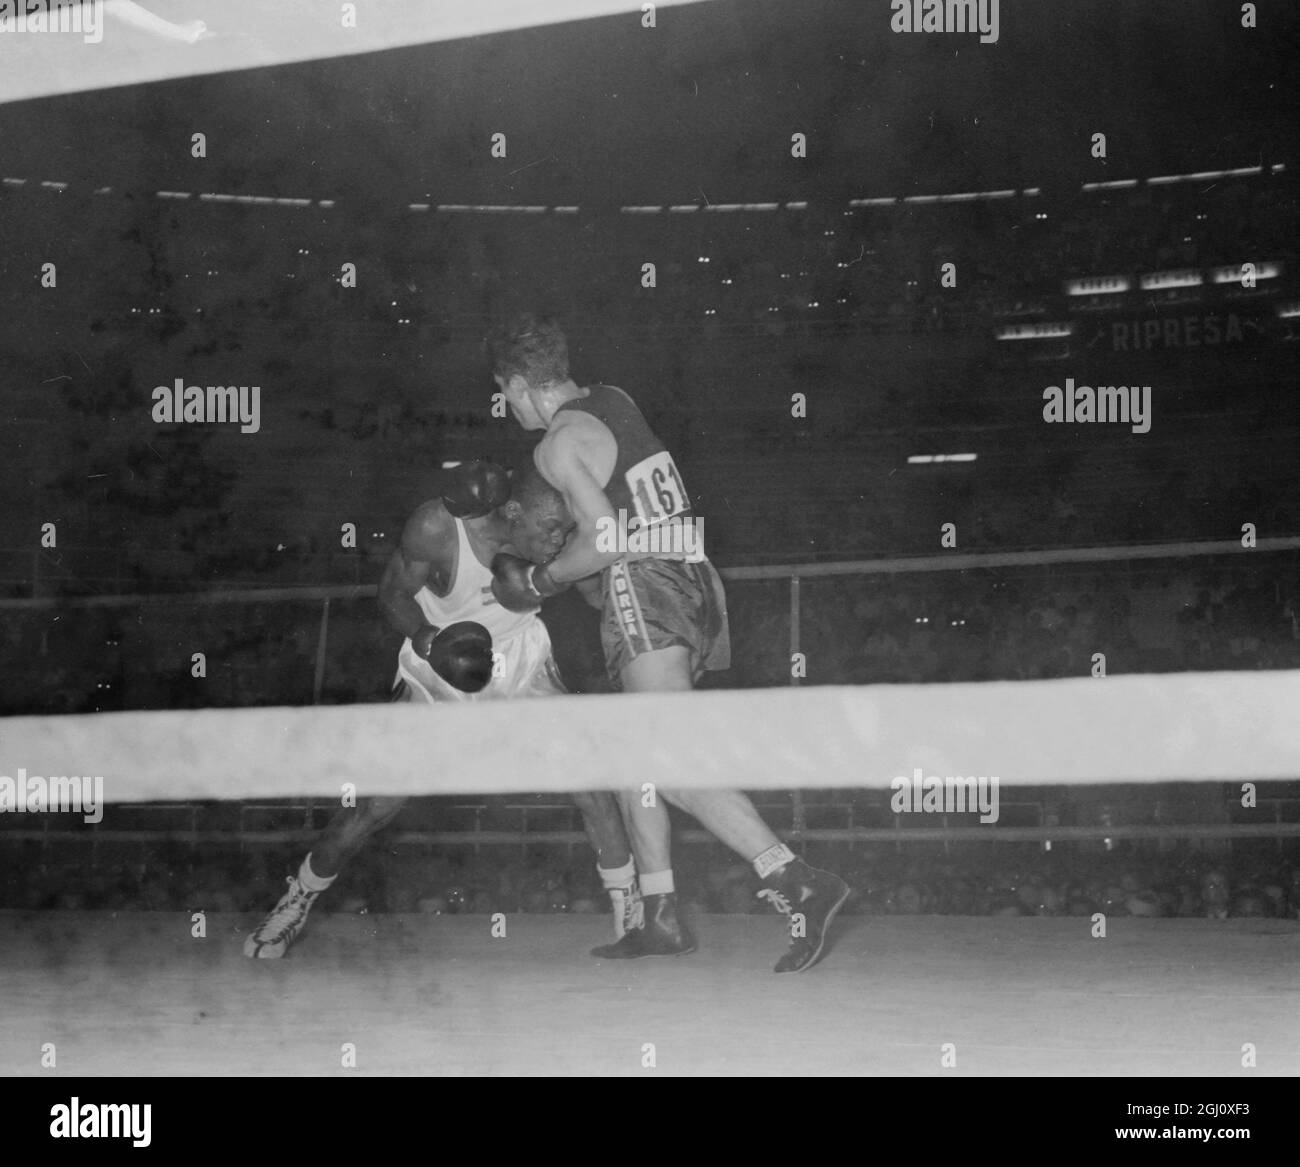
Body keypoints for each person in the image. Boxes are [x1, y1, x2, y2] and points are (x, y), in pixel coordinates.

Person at [486, 313, 849, 973]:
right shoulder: (616, 398)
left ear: (516, 385)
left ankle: (797, 879)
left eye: (505, 395)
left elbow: (608, 541)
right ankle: (659, 915)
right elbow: (635, 509)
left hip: (646, 585)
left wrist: (541, 579)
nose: (509, 409)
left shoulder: (556, 445)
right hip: (694, 574)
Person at [244, 461, 640, 958]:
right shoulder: (439, 527)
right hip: (437, 665)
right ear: (513, 512)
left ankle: (631, 909)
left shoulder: (562, 540)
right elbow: (393, 592)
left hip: (520, 661)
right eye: (550, 529)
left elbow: (598, 595)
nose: (559, 540)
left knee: (589, 777)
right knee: (377, 802)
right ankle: (297, 900)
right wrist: (426, 637)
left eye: (566, 529)